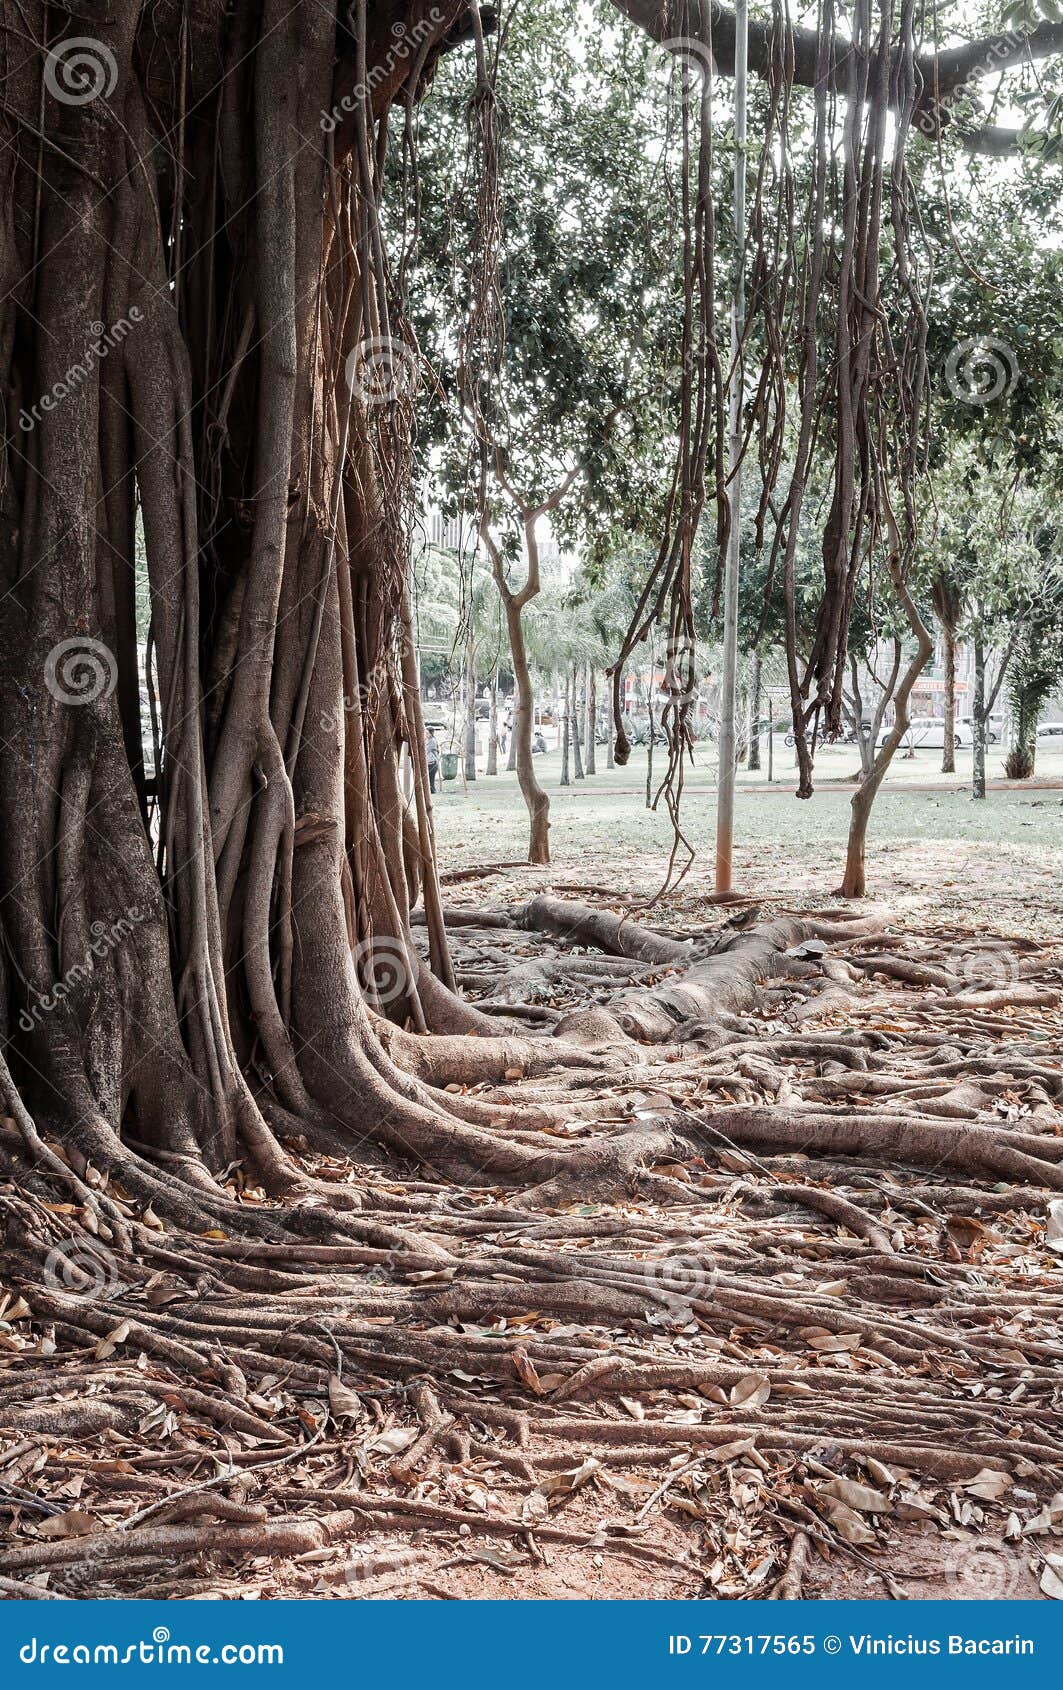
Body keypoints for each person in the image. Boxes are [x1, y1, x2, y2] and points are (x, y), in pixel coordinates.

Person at [425, 729, 439, 793]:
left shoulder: (432, 741)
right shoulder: (428, 740)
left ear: (431, 733)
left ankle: (432, 791)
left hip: (433, 762)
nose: (426, 734)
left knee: (431, 778)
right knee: (429, 778)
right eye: (426, 733)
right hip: (429, 761)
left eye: (427, 733)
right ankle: (431, 790)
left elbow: (426, 750)